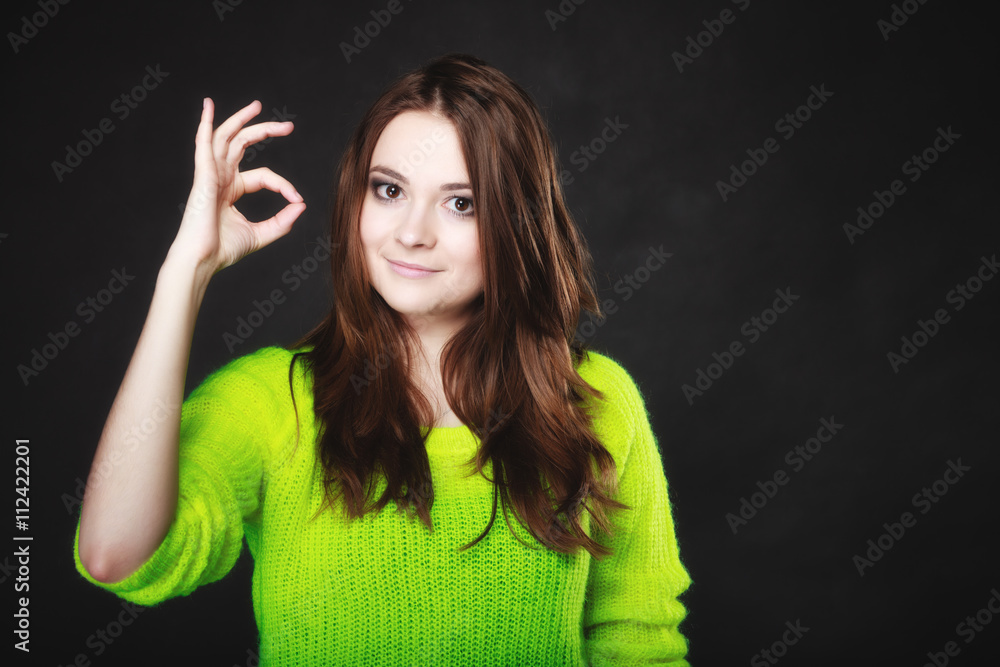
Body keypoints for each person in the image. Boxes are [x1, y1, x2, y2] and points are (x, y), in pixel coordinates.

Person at [73, 52, 692, 666]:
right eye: (389, 190)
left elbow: (639, 642)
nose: (411, 232)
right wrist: (185, 271)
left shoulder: (596, 402)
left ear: (516, 222)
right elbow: (115, 555)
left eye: (461, 203)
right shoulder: (274, 399)